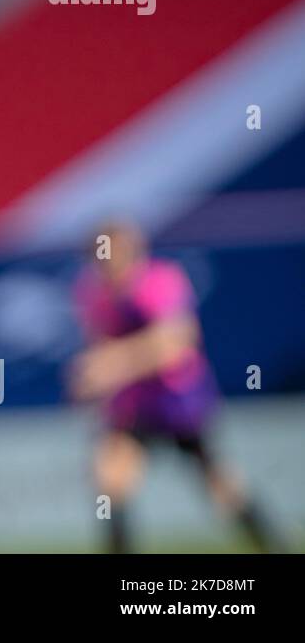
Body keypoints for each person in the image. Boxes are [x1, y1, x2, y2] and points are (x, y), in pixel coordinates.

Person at [68, 219, 281, 553]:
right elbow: (100, 348)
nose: (108, 263)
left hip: (179, 403)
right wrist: (91, 381)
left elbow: (176, 342)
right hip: (132, 406)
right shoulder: (92, 293)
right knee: (110, 482)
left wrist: (114, 364)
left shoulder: (159, 281)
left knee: (221, 487)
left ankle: (272, 545)